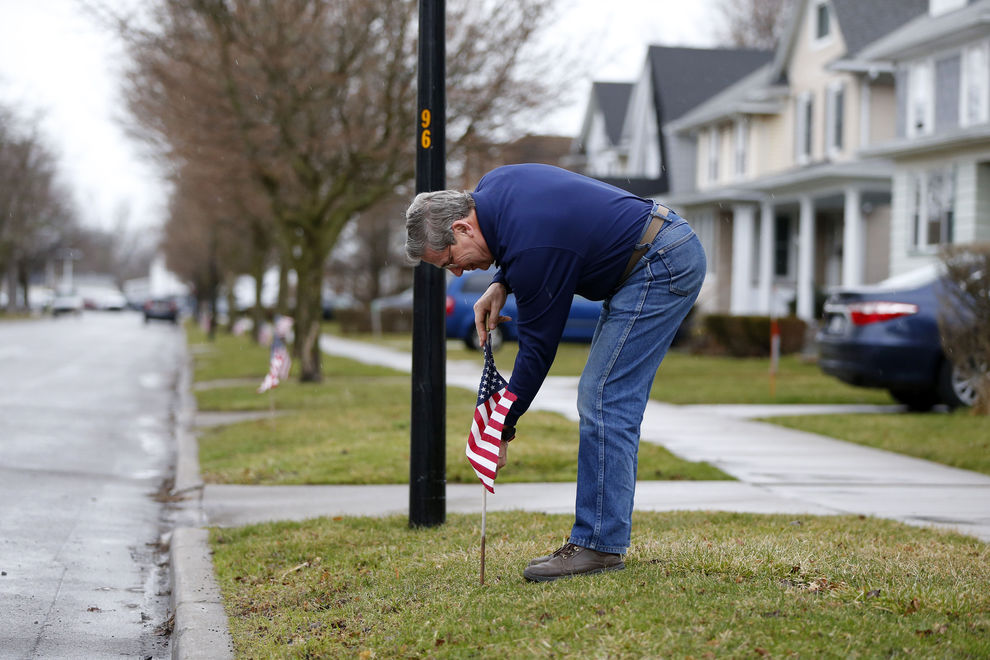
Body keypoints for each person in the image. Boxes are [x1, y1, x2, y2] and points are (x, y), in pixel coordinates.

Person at [405, 164, 706, 582]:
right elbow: (528, 228)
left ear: (461, 227)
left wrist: (501, 427)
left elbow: (536, 352)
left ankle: (600, 547)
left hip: (661, 263)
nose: (456, 273)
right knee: (602, 394)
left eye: (450, 261)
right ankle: (600, 541)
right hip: (653, 249)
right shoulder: (492, 187)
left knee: (604, 397)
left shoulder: (533, 249)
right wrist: (501, 282)